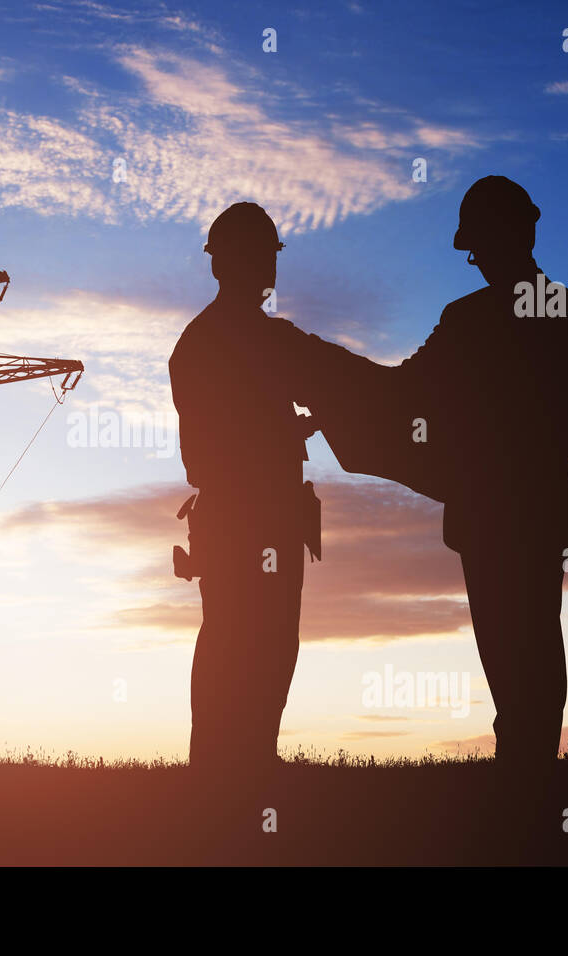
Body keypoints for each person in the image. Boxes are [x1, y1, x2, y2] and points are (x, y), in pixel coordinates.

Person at [322, 176, 568, 775]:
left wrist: (332, 387)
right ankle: (526, 773)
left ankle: (526, 776)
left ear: (513, 236)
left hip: (505, 512)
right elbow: (405, 389)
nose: (474, 258)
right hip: (512, 512)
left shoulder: (504, 318)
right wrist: (335, 394)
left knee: (522, 649)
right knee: (522, 648)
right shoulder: (538, 314)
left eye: (478, 243)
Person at [169, 202, 358, 773]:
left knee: (258, 642)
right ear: (232, 264)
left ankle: (238, 767)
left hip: (249, 515)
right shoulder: (249, 340)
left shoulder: (211, 340)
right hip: (248, 516)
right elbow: (335, 377)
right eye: (261, 256)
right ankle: (232, 769)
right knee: (247, 641)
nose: (270, 268)